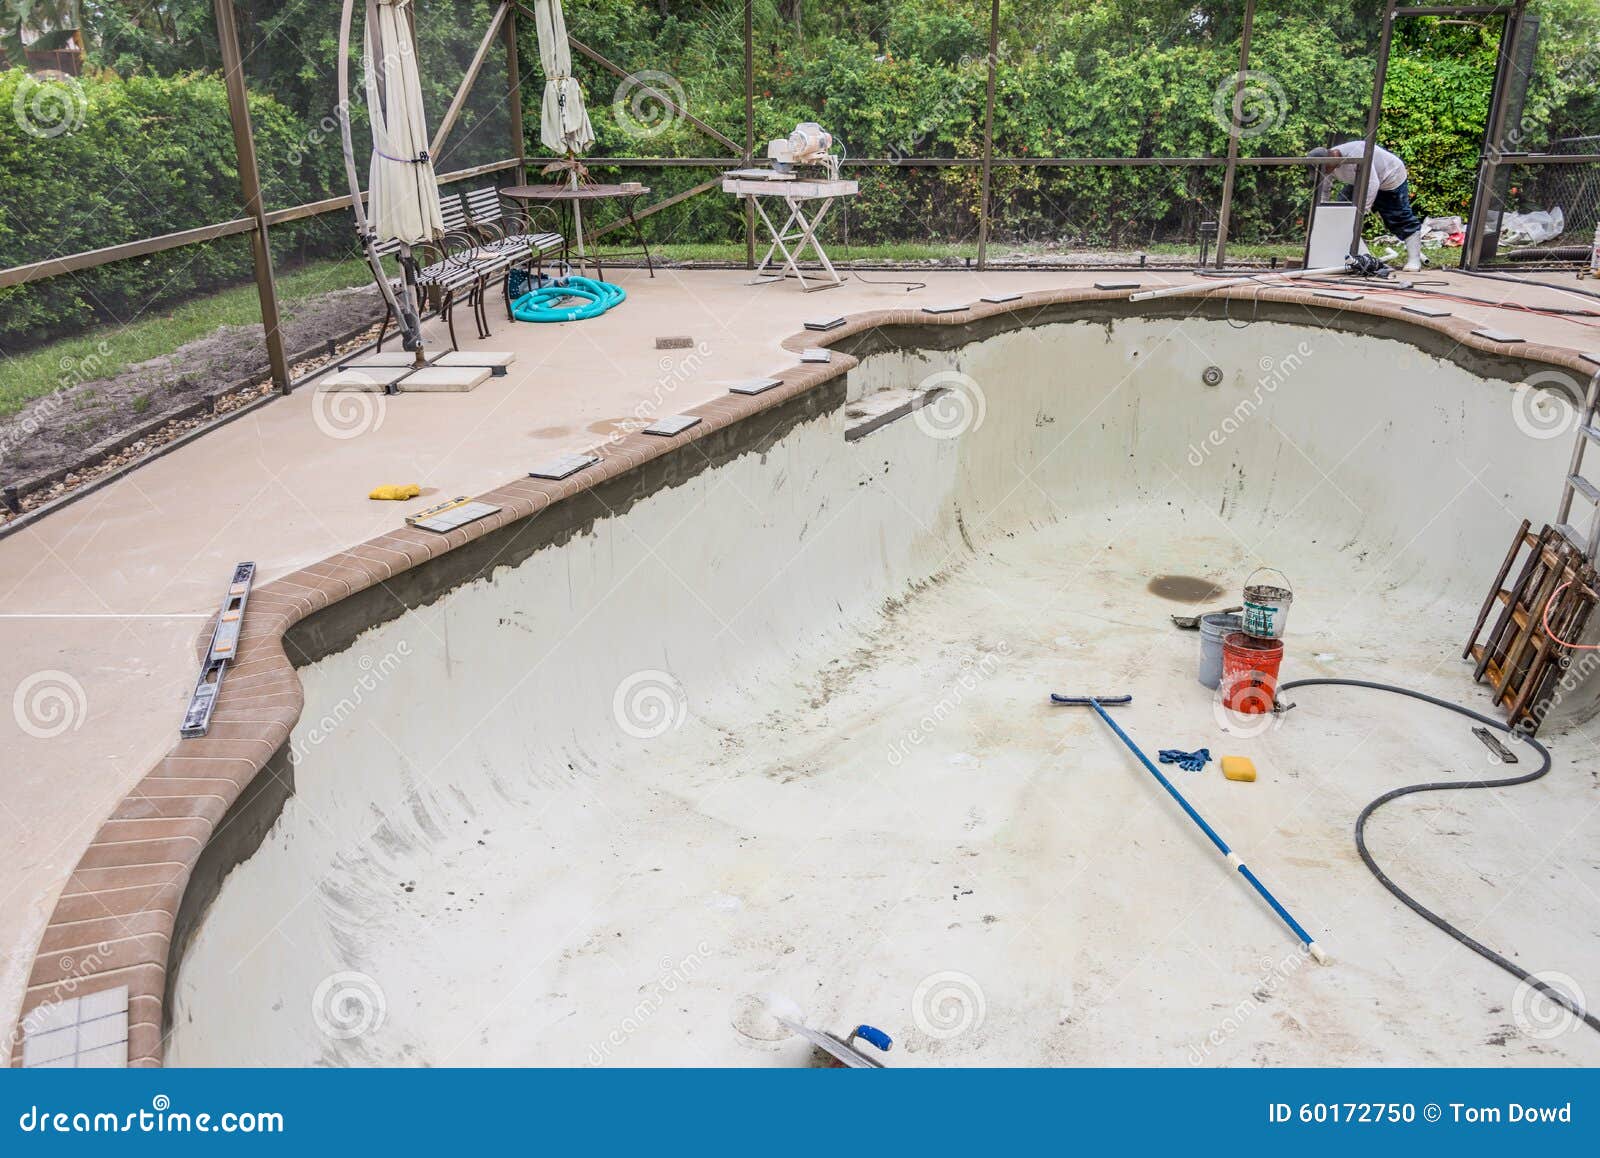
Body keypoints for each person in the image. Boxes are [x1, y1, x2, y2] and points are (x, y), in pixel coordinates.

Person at [1309, 141, 1424, 271]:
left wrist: (1361, 211)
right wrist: (1322, 210)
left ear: (1331, 160)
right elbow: (1324, 189)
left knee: (1398, 216)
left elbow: (1372, 183)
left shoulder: (1356, 153)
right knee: (1342, 211)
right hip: (1359, 179)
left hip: (1390, 177)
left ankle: (1414, 261)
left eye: (1324, 169)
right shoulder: (1327, 164)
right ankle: (1350, 256)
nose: (1324, 172)